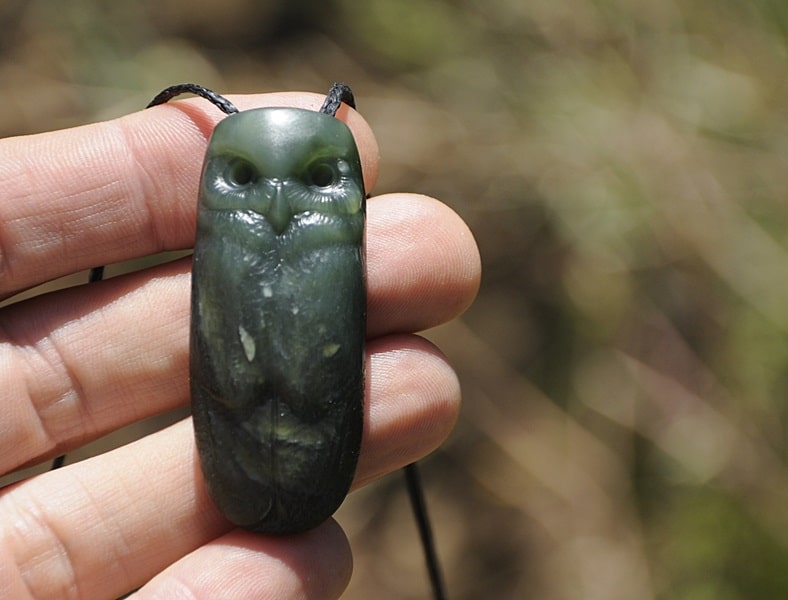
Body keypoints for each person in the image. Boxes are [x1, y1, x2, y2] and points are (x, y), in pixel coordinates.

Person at [0, 91, 481, 598]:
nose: (277, 209)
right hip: (247, 462)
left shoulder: (331, 245)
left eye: (319, 179)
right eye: (244, 179)